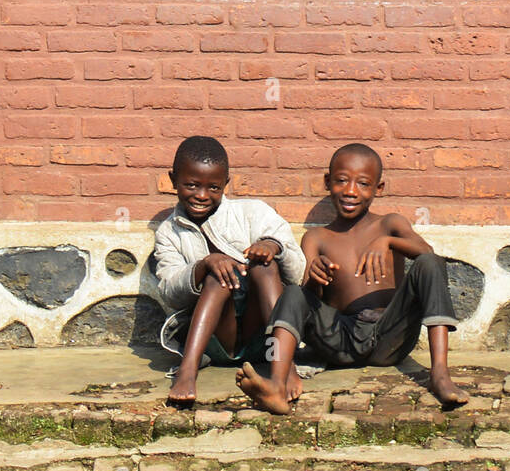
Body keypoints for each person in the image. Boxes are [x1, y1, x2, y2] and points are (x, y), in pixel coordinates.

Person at [236, 142, 469, 414]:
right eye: (342, 181)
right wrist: (315, 278)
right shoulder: (317, 238)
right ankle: (276, 383)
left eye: (363, 184)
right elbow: (310, 298)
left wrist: (388, 241)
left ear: (378, 189)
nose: (350, 191)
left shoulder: (390, 224)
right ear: (327, 182)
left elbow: (427, 254)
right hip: (339, 339)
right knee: (293, 294)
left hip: (388, 336)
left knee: (429, 263)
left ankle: (439, 373)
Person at [154, 135, 305, 406]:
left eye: (213, 187)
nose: (201, 195)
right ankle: (187, 372)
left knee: (265, 268)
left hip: (263, 340)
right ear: (173, 179)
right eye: (191, 185)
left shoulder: (252, 213)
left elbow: (298, 273)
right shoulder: (169, 232)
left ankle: (285, 367)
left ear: (226, 183)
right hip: (215, 342)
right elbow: (170, 293)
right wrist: (202, 266)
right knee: (218, 274)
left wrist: (273, 246)